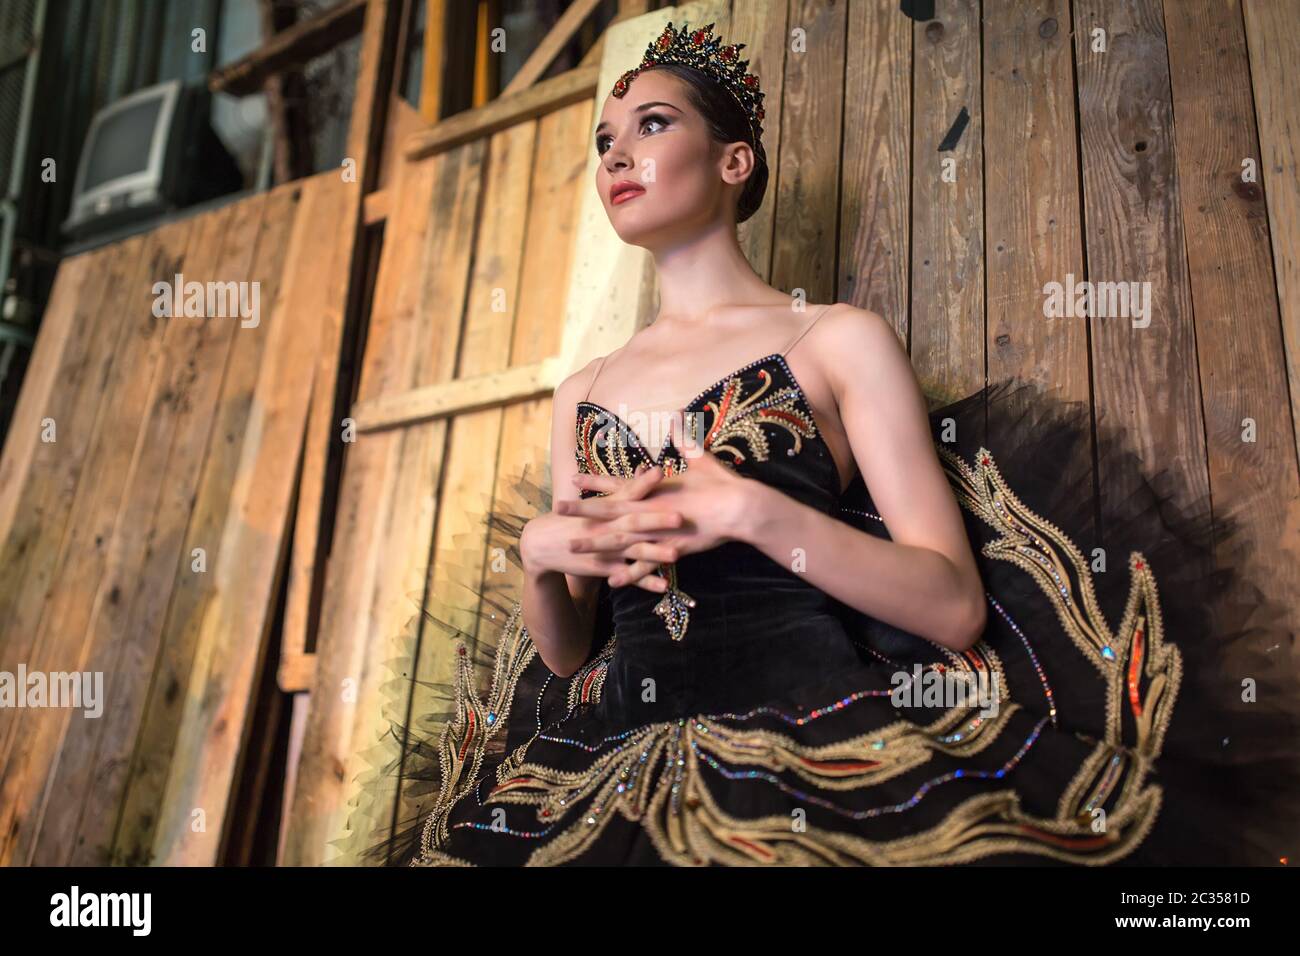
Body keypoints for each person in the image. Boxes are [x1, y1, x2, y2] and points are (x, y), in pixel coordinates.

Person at [333, 20, 1298, 867]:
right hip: (606, 760)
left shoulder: (835, 339)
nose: (617, 155)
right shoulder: (581, 393)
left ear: (734, 161)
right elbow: (567, 656)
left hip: (815, 740)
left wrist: (753, 510)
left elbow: (954, 607)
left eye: (653, 125)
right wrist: (539, 559)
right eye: (604, 140)